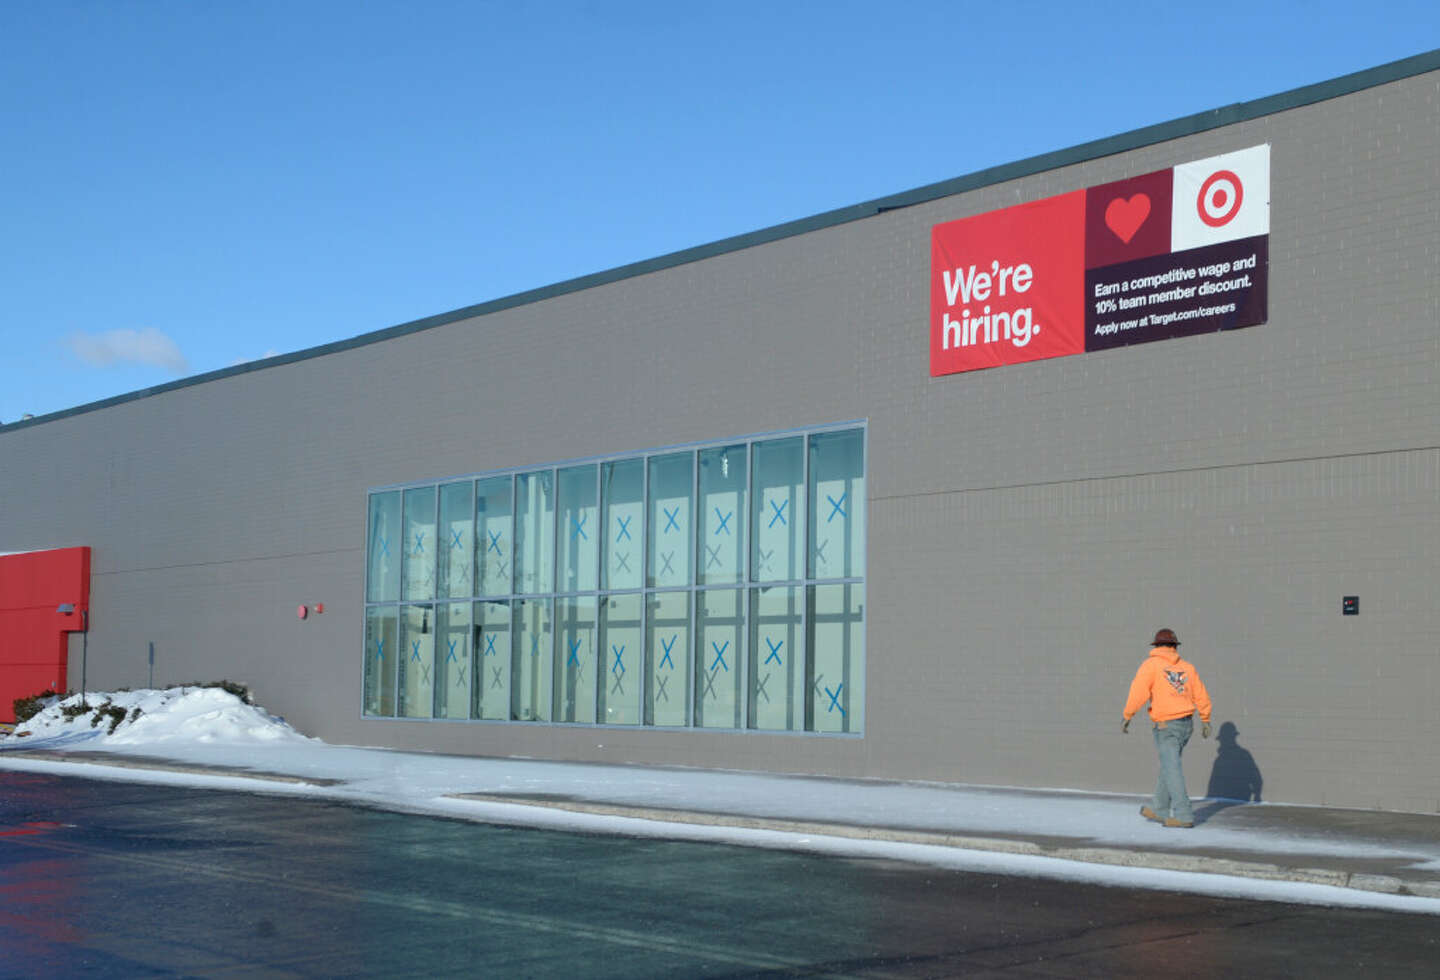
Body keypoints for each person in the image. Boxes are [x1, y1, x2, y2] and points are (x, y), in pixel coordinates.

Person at [1121, 628, 1213, 828]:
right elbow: (1200, 693)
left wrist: (1128, 715)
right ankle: (1159, 808)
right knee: (1168, 765)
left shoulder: (1151, 665)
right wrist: (1205, 718)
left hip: (1166, 726)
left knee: (1172, 769)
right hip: (1186, 725)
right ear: (1174, 646)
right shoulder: (1187, 667)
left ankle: (1184, 814)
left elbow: (1138, 692)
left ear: (1156, 646)